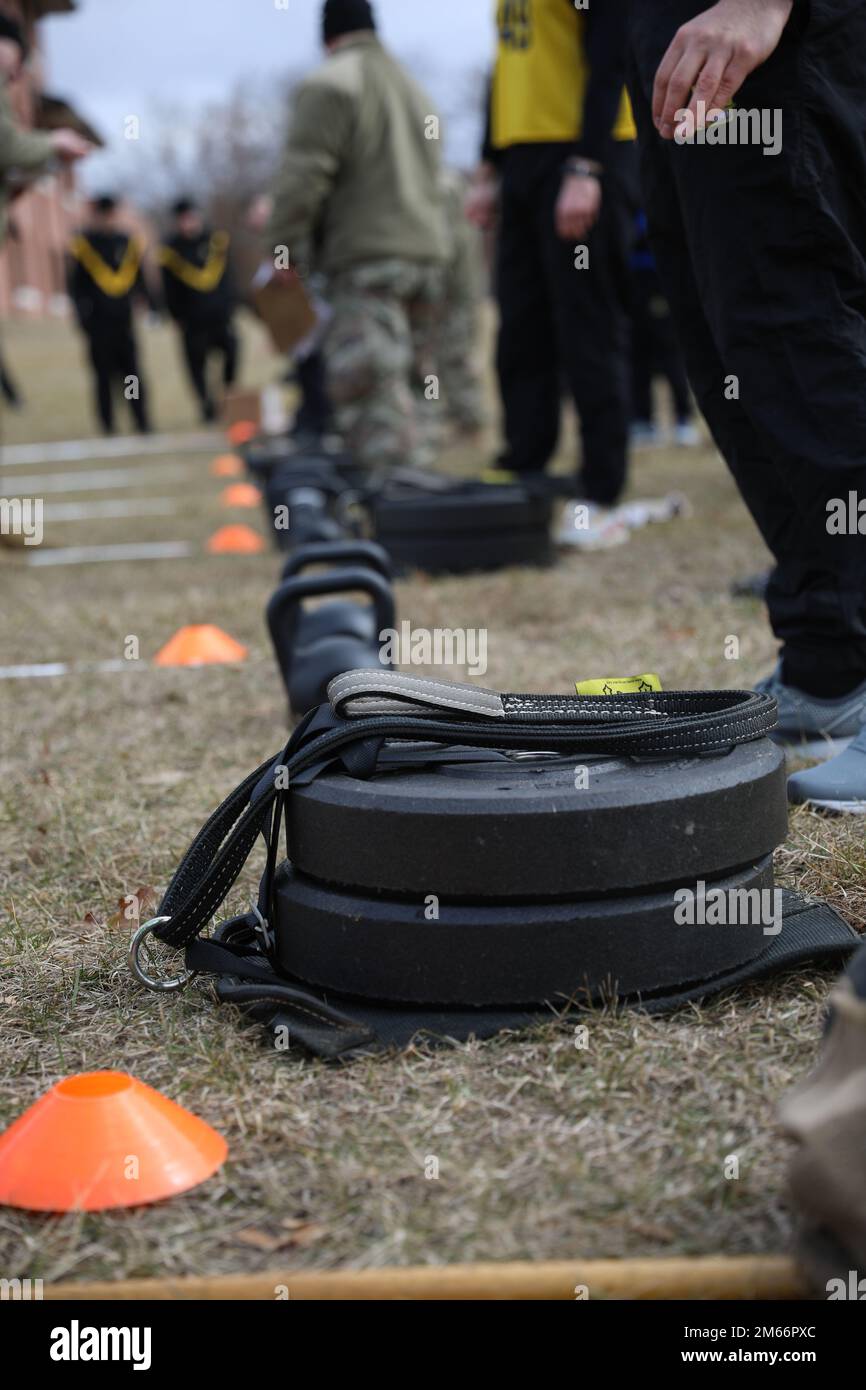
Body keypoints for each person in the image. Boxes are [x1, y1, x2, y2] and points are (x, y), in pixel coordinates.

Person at [627, 0, 866, 809]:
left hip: (758, 27)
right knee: (728, 340)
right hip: (660, 29)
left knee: (795, 321)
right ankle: (831, 658)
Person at [466, 0, 637, 548]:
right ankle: (527, 460)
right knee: (520, 323)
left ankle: (601, 484)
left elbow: (613, 56)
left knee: (586, 324)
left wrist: (588, 164)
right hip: (523, 161)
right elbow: (505, 72)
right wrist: (489, 164)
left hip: (581, 153)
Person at [266, 0, 448, 475]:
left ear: (326, 38)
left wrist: (283, 248)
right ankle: (424, 486)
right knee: (416, 380)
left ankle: (395, 502)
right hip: (427, 254)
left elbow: (303, 177)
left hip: (367, 259)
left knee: (370, 383)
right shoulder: (415, 90)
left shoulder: (330, 84)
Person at [68, 195, 152, 435]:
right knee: (103, 378)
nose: (107, 219)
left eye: (110, 214)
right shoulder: (85, 245)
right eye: (102, 214)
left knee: (131, 376)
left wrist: (146, 300)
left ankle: (140, 419)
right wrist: (82, 317)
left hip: (123, 322)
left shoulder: (126, 242)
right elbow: (76, 286)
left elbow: (139, 278)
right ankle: (108, 424)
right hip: (98, 323)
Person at [160, 197, 239, 423]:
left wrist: (230, 304)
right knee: (196, 365)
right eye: (183, 219)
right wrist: (175, 315)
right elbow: (168, 289)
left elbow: (229, 277)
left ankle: (228, 398)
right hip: (191, 320)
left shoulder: (216, 241)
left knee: (232, 352)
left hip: (219, 316)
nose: (187, 223)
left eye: (190, 217)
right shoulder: (170, 250)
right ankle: (207, 406)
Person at [629, 209, 698, 449]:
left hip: (660, 278)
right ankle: (641, 420)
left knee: (670, 352)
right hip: (632, 278)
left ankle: (683, 419)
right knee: (637, 352)